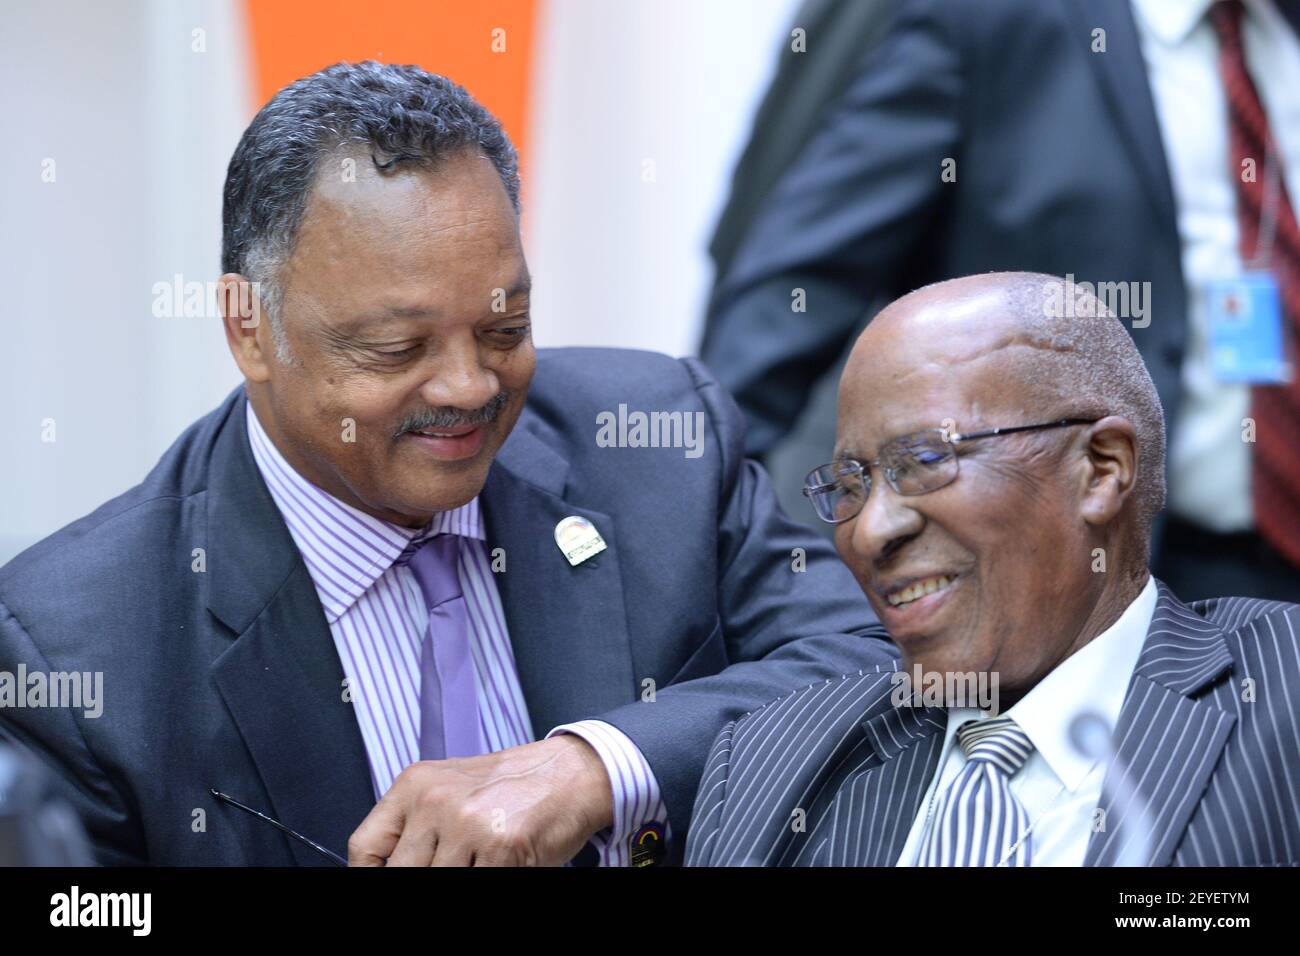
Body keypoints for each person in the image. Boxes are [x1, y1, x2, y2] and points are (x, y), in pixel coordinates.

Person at [0, 61, 892, 867]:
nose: (470, 388)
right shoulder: (75, 650)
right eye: (396, 348)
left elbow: (878, 656)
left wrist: (599, 767)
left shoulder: (659, 445)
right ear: (248, 328)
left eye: (505, 330)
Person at [686, 273, 1300, 867]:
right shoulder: (767, 763)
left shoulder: (1283, 691)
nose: (870, 531)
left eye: (926, 459)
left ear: (1102, 469)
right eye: (850, 484)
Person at [700, 0, 1300, 600]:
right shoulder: (987, 20)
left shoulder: (1278, 34)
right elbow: (790, 296)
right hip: (1084, 583)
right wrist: (715, 547)